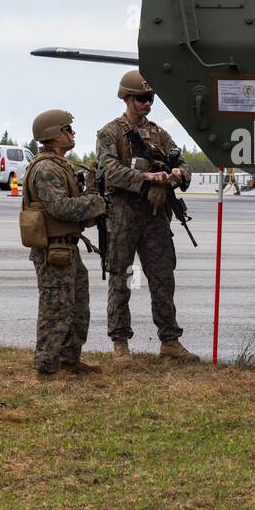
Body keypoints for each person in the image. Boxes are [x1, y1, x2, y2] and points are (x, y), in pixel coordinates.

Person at [96, 70, 199, 362]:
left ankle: (169, 340)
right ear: (127, 98)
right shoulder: (110, 133)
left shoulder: (158, 133)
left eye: (150, 98)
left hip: (156, 215)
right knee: (121, 277)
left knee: (162, 277)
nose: (147, 104)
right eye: (141, 98)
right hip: (123, 214)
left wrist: (174, 177)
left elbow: (183, 164)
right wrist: (146, 178)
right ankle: (120, 344)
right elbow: (109, 171)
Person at [25, 109, 106, 376]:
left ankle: (70, 360)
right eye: (68, 129)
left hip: (67, 247)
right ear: (54, 134)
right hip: (53, 250)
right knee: (56, 309)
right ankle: (47, 367)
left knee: (77, 307)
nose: (72, 134)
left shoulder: (59, 165)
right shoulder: (47, 169)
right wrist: (95, 202)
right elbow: (60, 208)